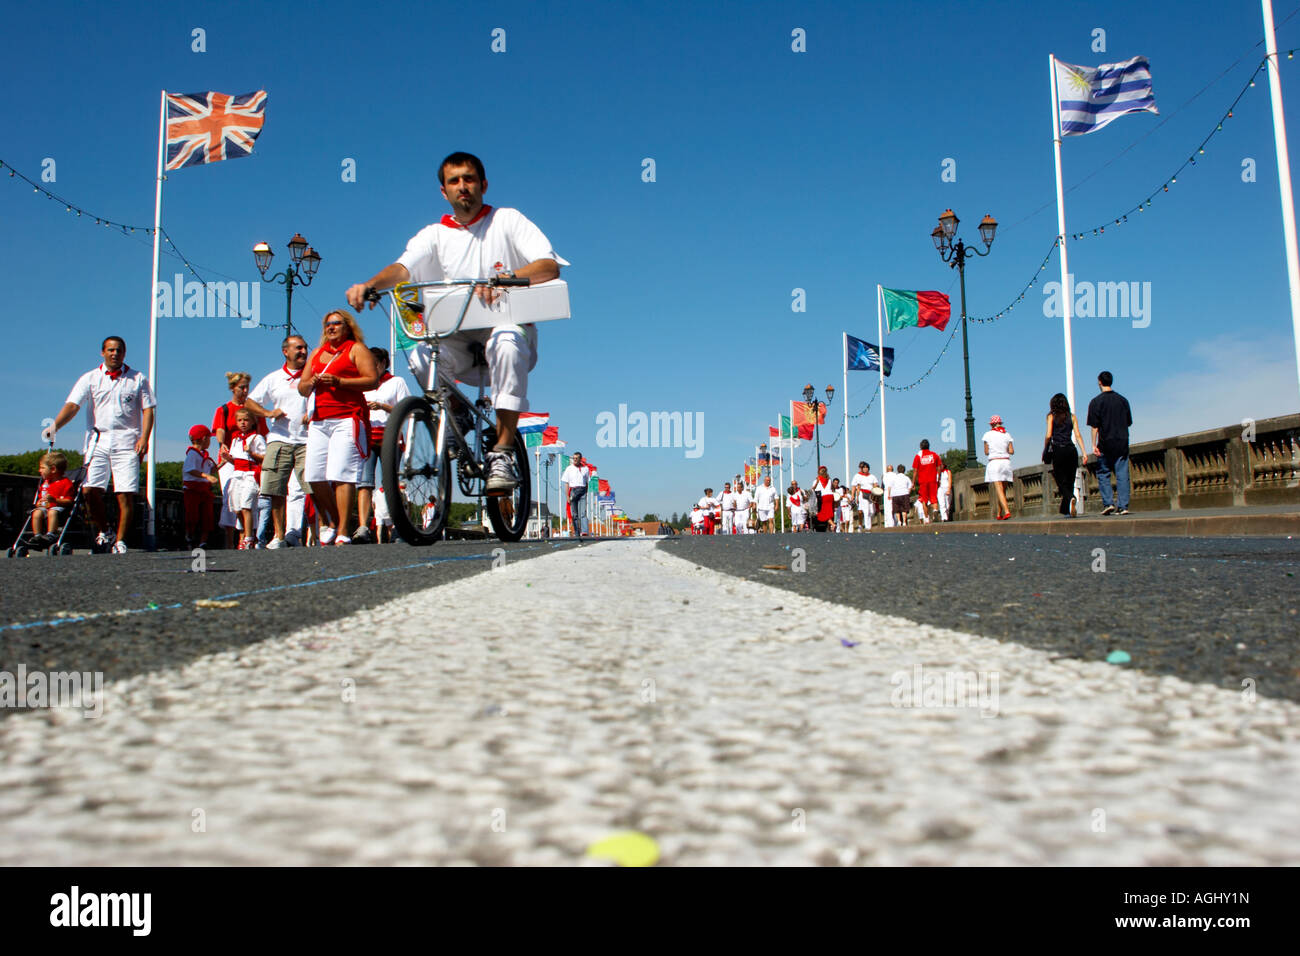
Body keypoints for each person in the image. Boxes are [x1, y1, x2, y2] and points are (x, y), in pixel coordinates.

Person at [346, 151, 566, 497]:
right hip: (456, 336)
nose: (462, 186)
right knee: (420, 353)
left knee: (506, 341)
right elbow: (404, 269)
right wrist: (370, 285)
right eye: (454, 181)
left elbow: (548, 266)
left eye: (469, 179)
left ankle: (503, 450)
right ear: (443, 191)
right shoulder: (434, 234)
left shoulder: (507, 220)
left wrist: (508, 278)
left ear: (483, 184)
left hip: (505, 326)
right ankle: (458, 414)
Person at [44, 336, 155, 554]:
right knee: (89, 490)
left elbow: (148, 409)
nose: (115, 354)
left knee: (125, 493)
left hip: (127, 440)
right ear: (103, 352)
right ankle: (105, 530)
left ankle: (121, 540)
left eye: (119, 351)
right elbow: (73, 405)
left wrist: (144, 438)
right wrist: (55, 425)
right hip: (98, 439)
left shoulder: (138, 378)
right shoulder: (90, 378)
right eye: (111, 350)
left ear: (124, 353)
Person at [298, 309, 381, 546]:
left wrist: (340, 381)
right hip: (319, 420)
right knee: (313, 475)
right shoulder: (316, 353)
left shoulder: (356, 349)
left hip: (347, 418)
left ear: (348, 326)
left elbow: (372, 379)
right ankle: (334, 520)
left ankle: (343, 529)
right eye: (327, 324)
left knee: (342, 473)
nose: (331, 327)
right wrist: (310, 383)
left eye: (336, 323)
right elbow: (302, 388)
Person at [248, 335, 310, 549]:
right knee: (275, 489)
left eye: (305, 348)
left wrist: (313, 414)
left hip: (307, 440)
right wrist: (267, 412)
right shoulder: (273, 378)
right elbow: (250, 402)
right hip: (279, 439)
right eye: (298, 348)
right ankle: (279, 536)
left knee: (313, 488)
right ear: (286, 351)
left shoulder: (312, 377)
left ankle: (319, 534)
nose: (303, 352)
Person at [357, 347, 411, 543]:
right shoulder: (362, 384)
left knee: (390, 483)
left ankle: (397, 527)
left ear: (381, 364)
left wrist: (382, 406)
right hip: (367, 436)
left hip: (390, 436)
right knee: (364, 482)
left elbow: (406, 409)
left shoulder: (396, 382)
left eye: (371, 363)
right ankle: (363, 527)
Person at [212, 371, 267, 549]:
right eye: (241, 387)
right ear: (233, 388)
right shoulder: (224, 409)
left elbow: (262, 432)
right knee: (231, 499)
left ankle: (247, 537)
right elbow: (220, 429)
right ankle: (231, 540)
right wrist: (222, 445)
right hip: (231, 456)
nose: (245, 391)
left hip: (250, 460)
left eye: (247, 387)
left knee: (249, 499)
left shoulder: (253, 410)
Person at [1087, 371, 1134, 516]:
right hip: (1121, 440)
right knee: (1122, 474)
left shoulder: (1095, 402)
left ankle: (1108, 503)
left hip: (1105, 442)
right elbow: (1128, 422)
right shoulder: (1123, 400)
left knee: (1103, 473)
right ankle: (1123, 505)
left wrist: (1093, 444)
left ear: (1099, 382)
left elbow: (1095, 427)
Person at [1044, 392, 1090, 517]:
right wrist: (1084, 452)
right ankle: (1066, 511)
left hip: (1058, 450)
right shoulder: (1072, 416)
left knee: (1061, 481)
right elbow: (1078, 435)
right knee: (1069, 481)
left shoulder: (1051, 416)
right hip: (1071, 450)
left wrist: (1045, 448)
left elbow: (1048, 435)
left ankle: (1071, 497)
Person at [183, 425, 219, 548]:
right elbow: (190, 470)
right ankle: (190, 536)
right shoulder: (193, 454)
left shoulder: (204, 455)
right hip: (193, 490)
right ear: (204, 438)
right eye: (209, 438)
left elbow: (211, 470)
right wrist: (206, 476)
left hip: (204, 489)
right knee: (192, 516)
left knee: (207, 516)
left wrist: (223, 463)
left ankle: (203, 541)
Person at [29, 452, 74, 548]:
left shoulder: (66, 483)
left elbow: (69, 501)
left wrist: (55, 500)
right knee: (36, 513)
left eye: (42, 468)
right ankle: (37, 535)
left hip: (59, 508)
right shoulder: (45, 484)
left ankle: (51, 534)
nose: (39, 470)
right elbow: (41, 498)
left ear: (53, 469)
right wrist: (39, 503)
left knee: (52, 512)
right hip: (45, 508)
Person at [982, 414, 1015, 520]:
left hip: (994, 462)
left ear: (991, 424)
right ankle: (999, 513)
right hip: (1006, 462)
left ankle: (1007, 511)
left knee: (999, 489)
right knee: (1003, 489)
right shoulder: (1007, 434)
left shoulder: (987, 435)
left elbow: (986, 452)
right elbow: (1011, 451)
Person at [912, 439, 941, 524]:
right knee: (934, 498)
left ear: (921, 447)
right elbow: (939, 467)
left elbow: (915, 471)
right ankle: (935, 510)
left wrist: (913, 482)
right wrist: (938, 477)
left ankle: (926, 518)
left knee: (924, 500)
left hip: (923, 481)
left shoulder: (918, 456)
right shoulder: (934, 455)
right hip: (933, 480)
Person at [562, 452, 591, 536]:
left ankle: (585, 531)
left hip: (582, 490)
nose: (574, 460)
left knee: (583, 513)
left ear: (580, 459)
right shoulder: (569, 469)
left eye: (576, 458)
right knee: (574, 514)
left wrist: (586, 492)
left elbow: (587, 482)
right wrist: (567, 496)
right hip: (573, 491)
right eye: (573, 458)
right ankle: (577, 532)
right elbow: (566, 483)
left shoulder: (585, 469)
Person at [849, 462, 879, 532]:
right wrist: (853, 495)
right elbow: (853, 486)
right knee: (866, 511)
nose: (865, 469)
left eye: (866, 467)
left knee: (872, 511)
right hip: (862, 493)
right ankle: (868, 527)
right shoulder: (857, 476)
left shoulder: (872, 476)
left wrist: (876, 490)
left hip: (871, 494)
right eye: (864, 467)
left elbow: (875, 485)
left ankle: (868, 524)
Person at [809, 466, 833, 532]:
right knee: (829, 512)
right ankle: (829, 526)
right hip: (830, 496)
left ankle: (831, 524)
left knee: (823, 513)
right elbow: (831, 488)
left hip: (823, 497)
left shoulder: (817, 480)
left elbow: (813, 488)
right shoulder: (830, 480)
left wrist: (817, 481)